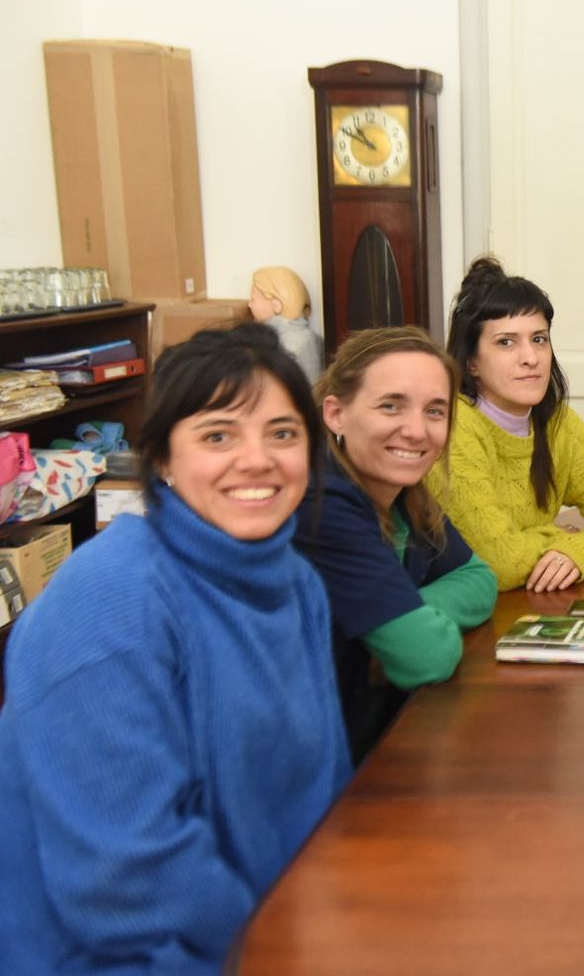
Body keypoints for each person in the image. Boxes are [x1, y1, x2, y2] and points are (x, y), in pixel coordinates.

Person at [0, 323, 349, 973]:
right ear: (162, 459)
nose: (257, 459)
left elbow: (319, 785)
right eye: (218, 435)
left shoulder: (294, 580)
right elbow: (122, 881)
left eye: (282, 433)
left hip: (269, 930)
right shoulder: (109, 598)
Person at [294, 327, 498, 762]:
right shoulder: (322, 502)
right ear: (336, 413)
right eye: (391, 406)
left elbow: (479, 579)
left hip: (373, 746)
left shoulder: (405, 496)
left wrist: (411, 610)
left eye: (435, 411)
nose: (416, 431)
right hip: (315, 776)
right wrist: (410, 625)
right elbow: (425, 657)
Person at [426, 257, 584, 592]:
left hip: (531, 605)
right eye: (506, 342)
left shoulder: (557, 423)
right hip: (459, 620)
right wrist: (560, 536)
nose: (530, 357)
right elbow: (498, 562)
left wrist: (581, 550)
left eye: (539, 339)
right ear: (471, 361)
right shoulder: (455, 430)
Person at [248, 264, 324, 384]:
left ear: (276, 305)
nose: (249, 305)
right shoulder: (308, 338)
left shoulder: (287, 345)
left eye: (253, 299)